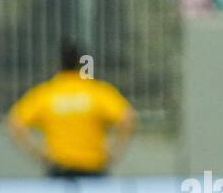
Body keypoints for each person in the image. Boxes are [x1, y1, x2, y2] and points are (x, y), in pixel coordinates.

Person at [7, 41, 136, 178]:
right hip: (93, 167)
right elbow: (127, 119)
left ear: (59, 65)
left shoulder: (47, 94)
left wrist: (38, 152)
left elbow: (15, 122)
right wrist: (113, 152)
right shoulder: (96, 92)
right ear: (82, 64)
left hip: (59, 167)